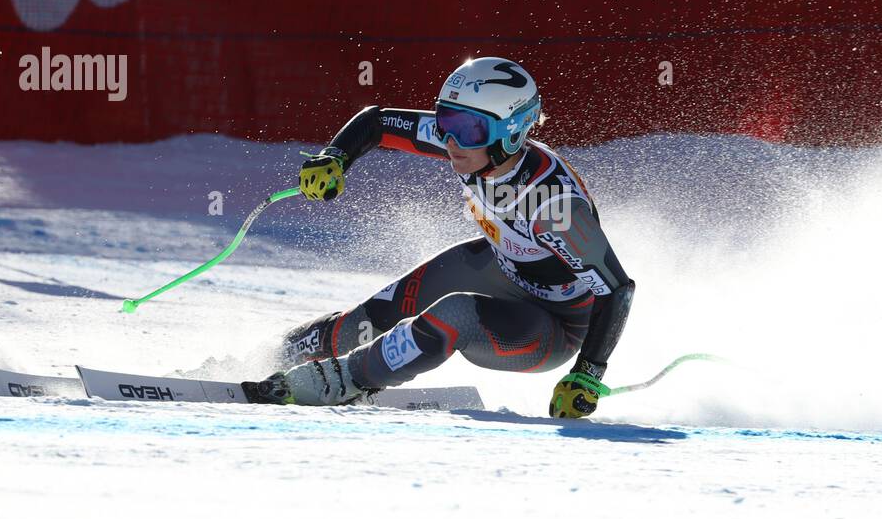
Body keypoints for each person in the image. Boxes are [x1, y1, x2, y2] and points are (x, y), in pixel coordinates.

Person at [243, 57, 634, 418]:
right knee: (370, 317)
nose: (450, 141)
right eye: (446, 120)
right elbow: (378, 122)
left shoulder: (554, 207)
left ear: (512, 133)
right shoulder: (477, 144)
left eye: (467, 129)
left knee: (453, 315)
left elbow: (617, 290)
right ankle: (265, 356)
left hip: (551, 326)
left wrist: (588, 374)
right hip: (503, 266)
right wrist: (336, 156)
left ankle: (348, 379)